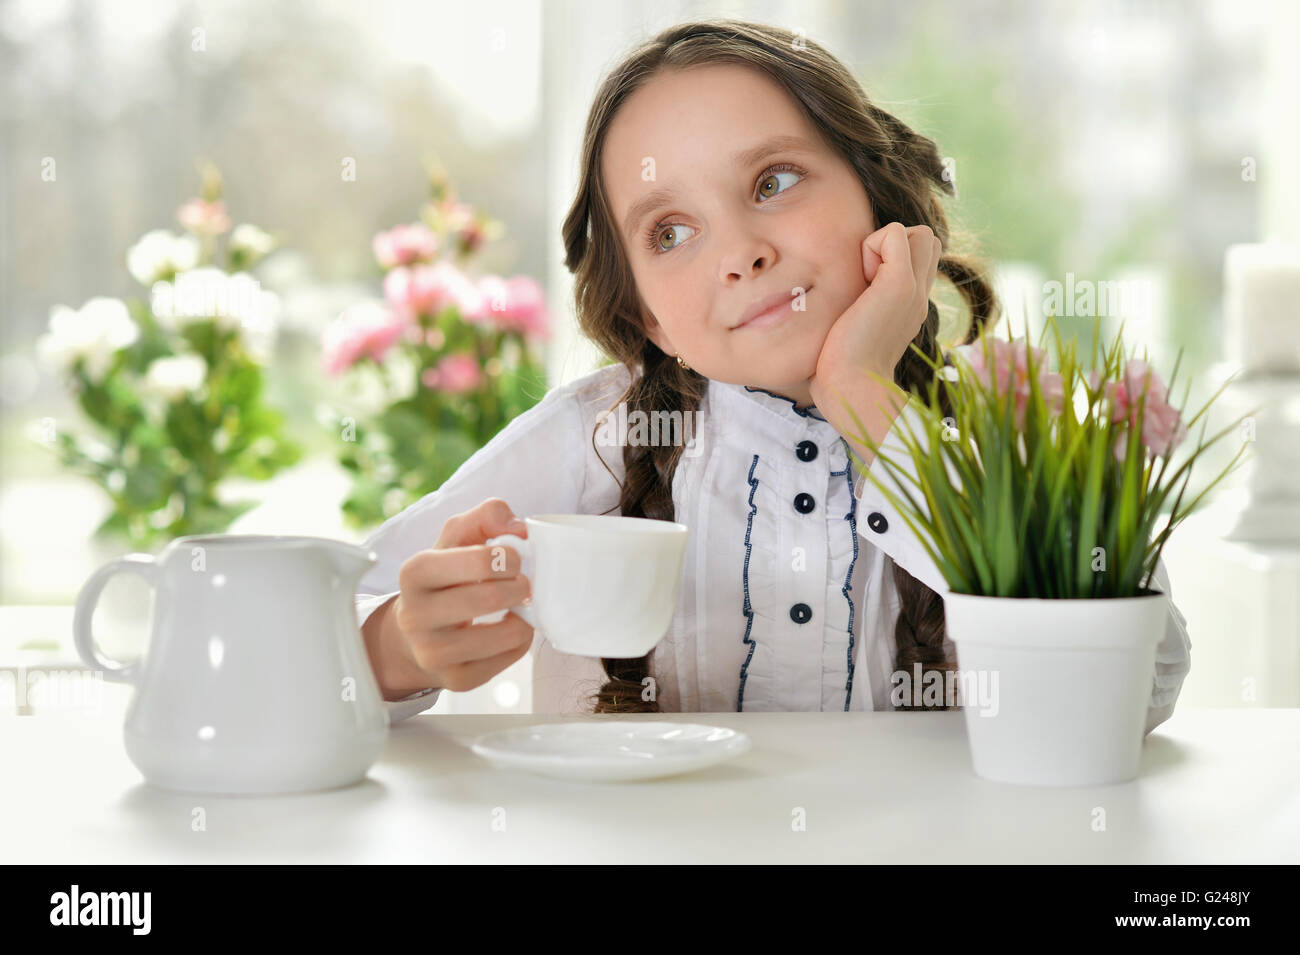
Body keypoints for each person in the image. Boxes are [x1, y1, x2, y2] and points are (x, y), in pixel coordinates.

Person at [356, 18, 1191, 731]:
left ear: (877, 197)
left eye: (773, 181)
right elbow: (301, 630)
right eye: (671, 233)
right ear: (648, 318)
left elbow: (1136, 687)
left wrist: (863, 393)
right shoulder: (594, 438)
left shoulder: (1004, 425)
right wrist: (395, 647)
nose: (740, 252)